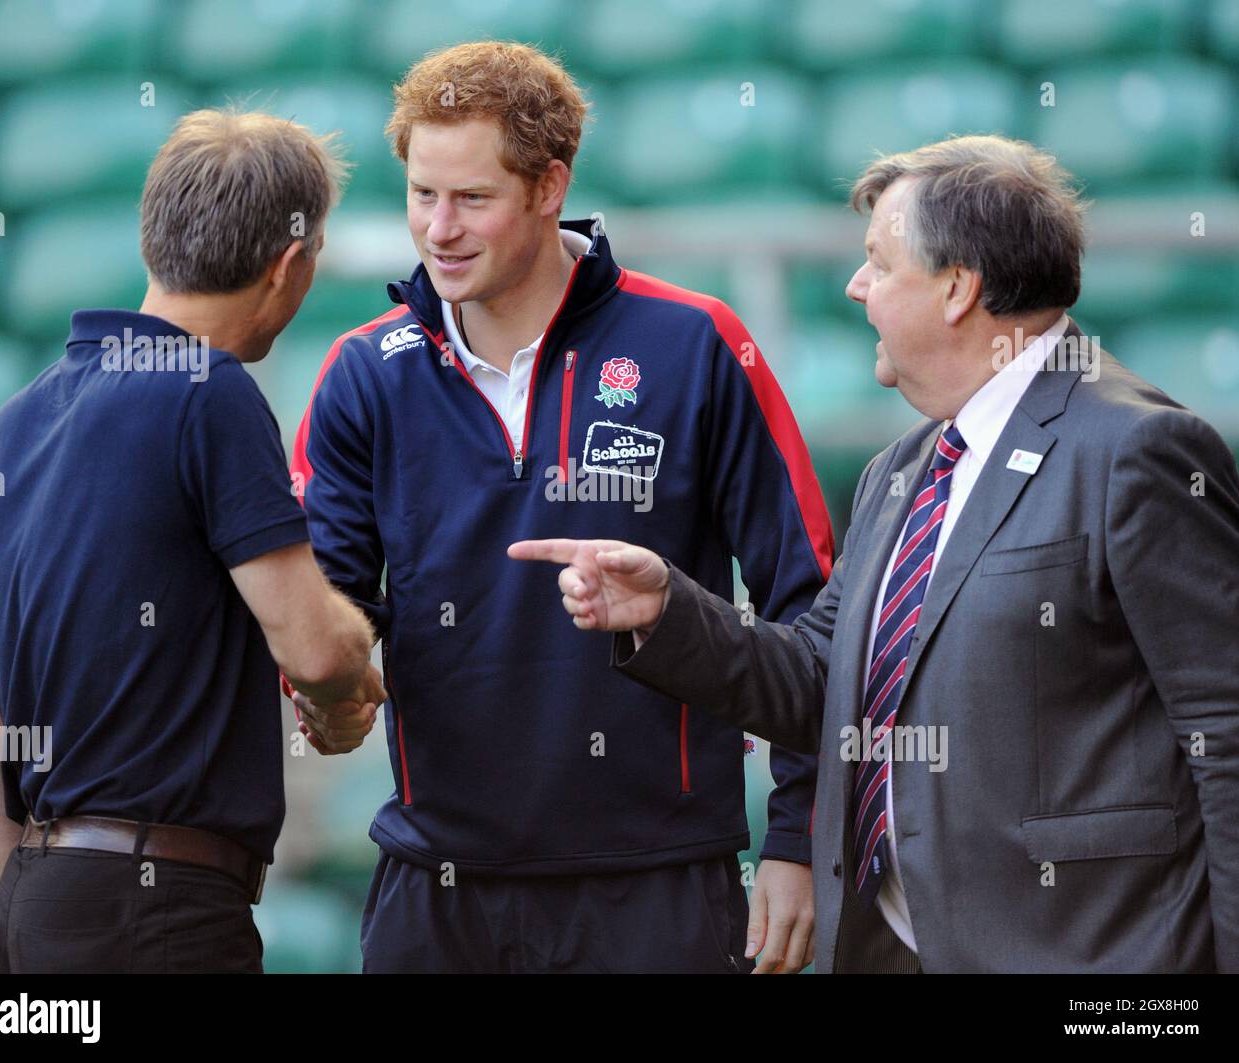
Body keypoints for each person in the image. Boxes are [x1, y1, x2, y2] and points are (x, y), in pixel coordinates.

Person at [511, 134, 1239, 973]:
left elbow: (1230, 736)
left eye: (878, 264)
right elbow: (822, 683)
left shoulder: (1137, 448)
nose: (856, 286)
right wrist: (669, 611)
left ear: (957, 289)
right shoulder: (900, 471)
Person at [289, 41, 835, 973]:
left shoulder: (697, 341)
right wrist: (323, 688)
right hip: (436, 888)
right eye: (423, 194)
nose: (441, 229)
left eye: (473, 198)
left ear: (550, 186)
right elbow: (331, 611)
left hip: (660, 883)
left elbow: (814, 606)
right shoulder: (360, 374)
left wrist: (793, 838)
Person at [0, 109, 384, 974]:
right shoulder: (209, 392)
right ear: (290, 265)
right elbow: (312, 646)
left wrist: (18, 884)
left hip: (39, 907)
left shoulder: (3, 427)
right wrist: (355, 674)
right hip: (160, 916)